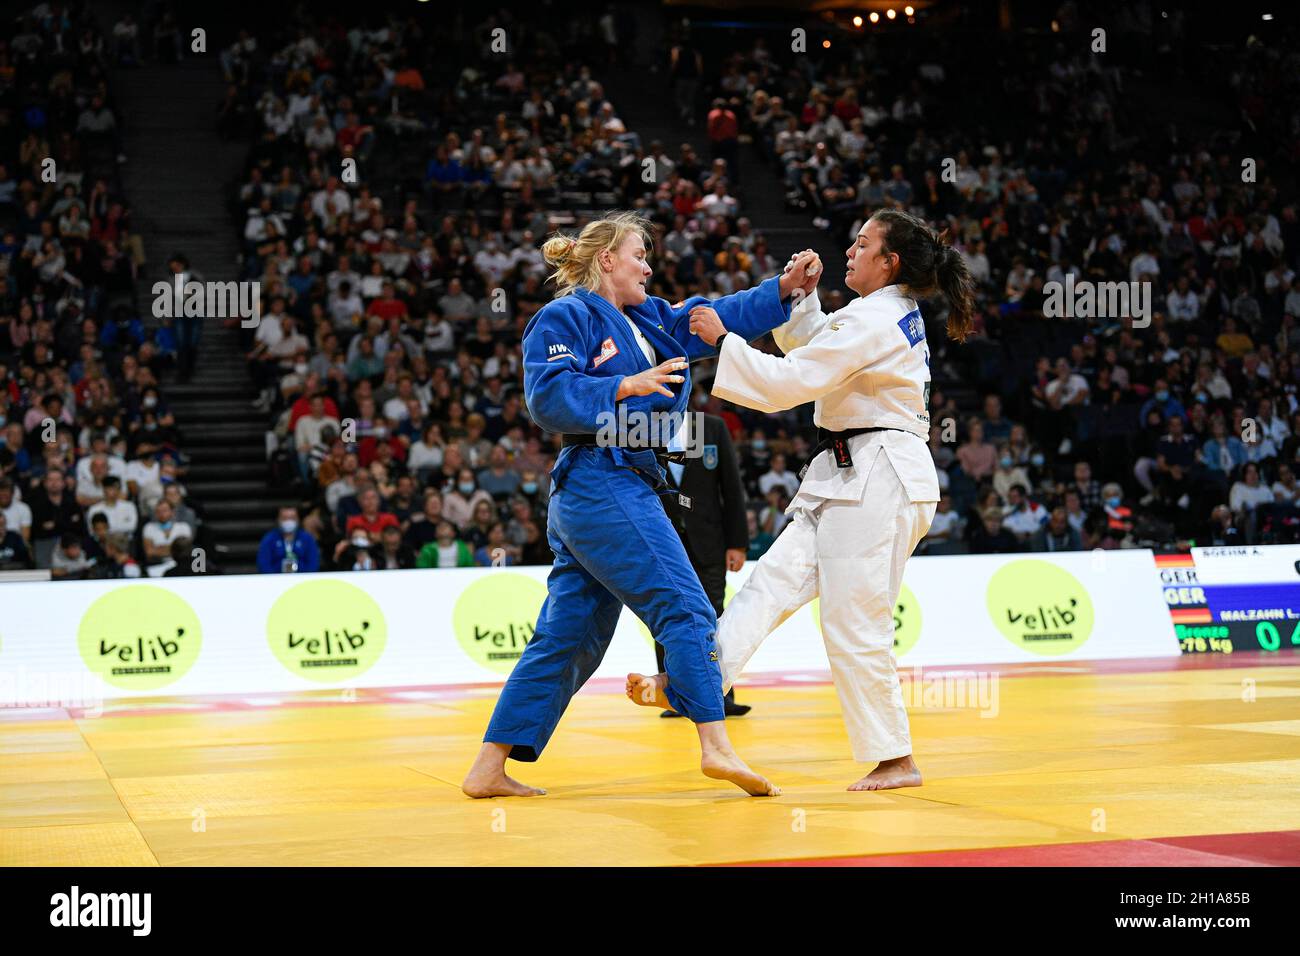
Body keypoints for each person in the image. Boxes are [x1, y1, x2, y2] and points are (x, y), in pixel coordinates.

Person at [462, 211, 815, 799]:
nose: (648, 267)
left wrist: (783, 289)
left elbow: (716, 316)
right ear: (606, 261)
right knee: (687, 607)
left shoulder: (652, 319)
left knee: (569, 636)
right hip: (602, 477)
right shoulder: (565, 315)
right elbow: (546, 398)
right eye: (638, 256)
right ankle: (716, 745)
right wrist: (621, 386)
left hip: (619, 486)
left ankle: (488, 767)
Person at [628, 208, 974, 792]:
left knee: (852, 619)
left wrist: (725, 341)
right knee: (767, 588)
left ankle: (895, 758)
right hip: (846, 474)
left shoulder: (878, 318)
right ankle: (695, 685)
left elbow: (792, 382)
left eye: (862, 245)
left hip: (878, 474)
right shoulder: (873, 316)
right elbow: (817, 351)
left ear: (888, 263)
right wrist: (804, 300)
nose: (850, 251)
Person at [654, 412, 751, 718]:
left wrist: (737, 542)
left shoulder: (709, 427)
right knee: (666, 618)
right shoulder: (643, 426)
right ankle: (674, 695)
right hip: (661, 543)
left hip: (709, 542)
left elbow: (731, 486)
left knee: (714, 617)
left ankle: (722, 694)